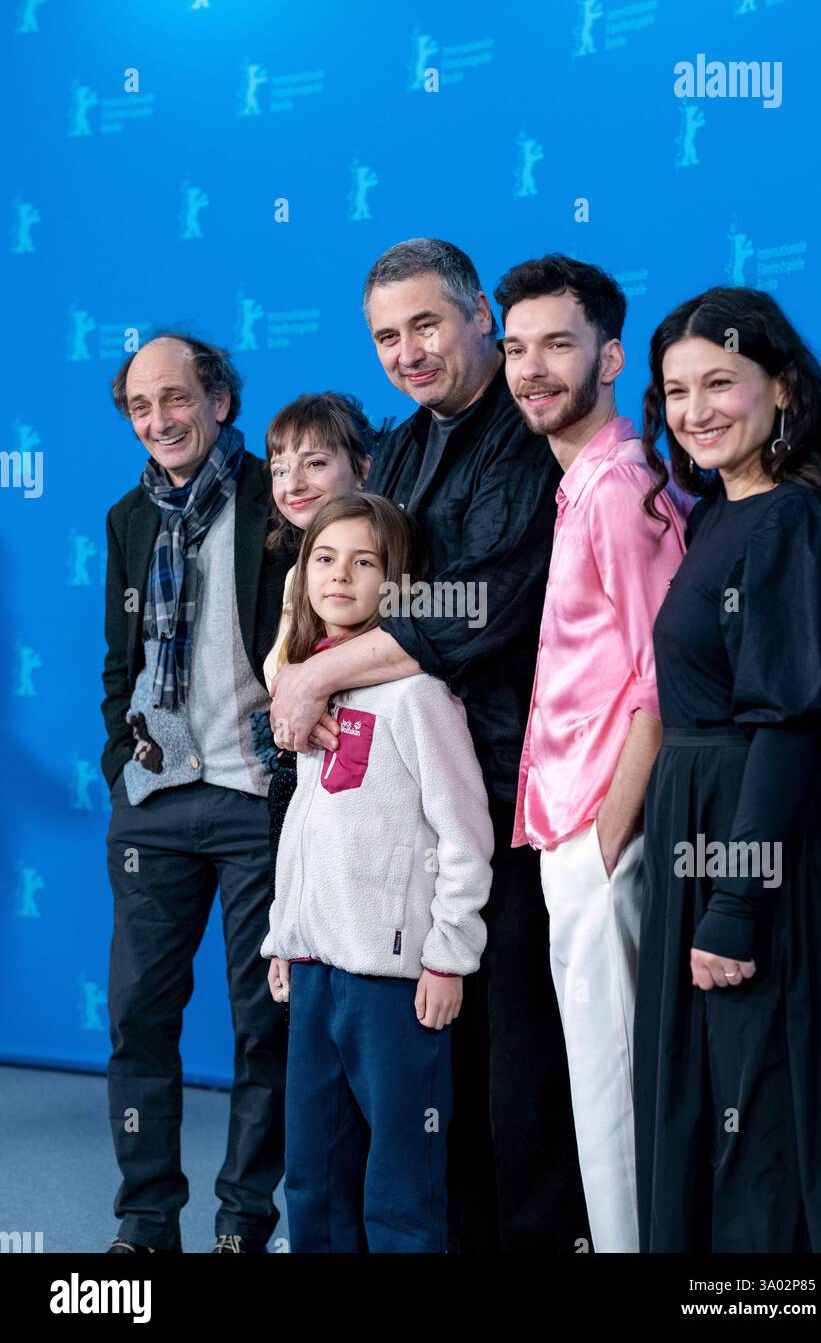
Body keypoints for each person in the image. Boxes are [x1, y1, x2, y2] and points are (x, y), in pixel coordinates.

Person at [269, 238, 586, 1252]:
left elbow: (480, 609)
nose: (406, 350)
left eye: (424, 325)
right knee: (416, 1079)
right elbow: (356, 584)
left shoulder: (528, 439)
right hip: (390, 812)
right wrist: (293, 666)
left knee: (511, 1073)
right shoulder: (401, 445)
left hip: (504, 800)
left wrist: (319, 673)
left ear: (478, 315)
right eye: (385, 335)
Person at [635, 286, 821, 1251]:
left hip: (756, 845)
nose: (695, 412)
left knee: (761, 1112)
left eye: (720, 383)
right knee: (714, 1104)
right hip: (706, 831)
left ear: (781, 386)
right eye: (676, 392)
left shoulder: (793, 524)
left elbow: (789, 725)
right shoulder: (722, 515)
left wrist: (735, 904)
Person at [495, 255, 692, 1252]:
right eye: (514, 347)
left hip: (599, 830)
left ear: (610, 356)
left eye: (555, 346)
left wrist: (609, 836)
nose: (529, 369)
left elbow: (668, 675)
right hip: (568, 825)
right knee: (598, 1084)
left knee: (612, 1090)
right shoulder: (580, 483)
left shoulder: (618, 487)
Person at [261, 492, 494, 1252]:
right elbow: (304, 831)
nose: (341, 576)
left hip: (396, 987)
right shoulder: (310, 686)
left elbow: (463, 833)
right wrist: (285, 939)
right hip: (318, 972)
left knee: (401, 1181)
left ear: (399, 585)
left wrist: (449, 956)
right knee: (313, 1176)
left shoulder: (420, 696)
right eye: (325, 558)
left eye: (366, 562)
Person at [101, 333, 292, 1253]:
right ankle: (145, 1225)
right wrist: (121, 763)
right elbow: (120, 661)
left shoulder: (282, 500)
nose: (159, 422)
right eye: (141, 408)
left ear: (220, 400)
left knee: (265, 1027)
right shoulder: (127, 519)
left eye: (176, 399)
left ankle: (243, 1224)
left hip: (257, 797)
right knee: (140, 1020)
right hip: (155, 799)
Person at [259, 392, 376, 999]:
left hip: (357, 794)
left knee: (353, 977)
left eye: (313, 462)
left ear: (362, 465)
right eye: (279, 467)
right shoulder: (292, 574)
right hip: (293, 783)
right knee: (297, 976)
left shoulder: (389, 564)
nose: (292, 482)